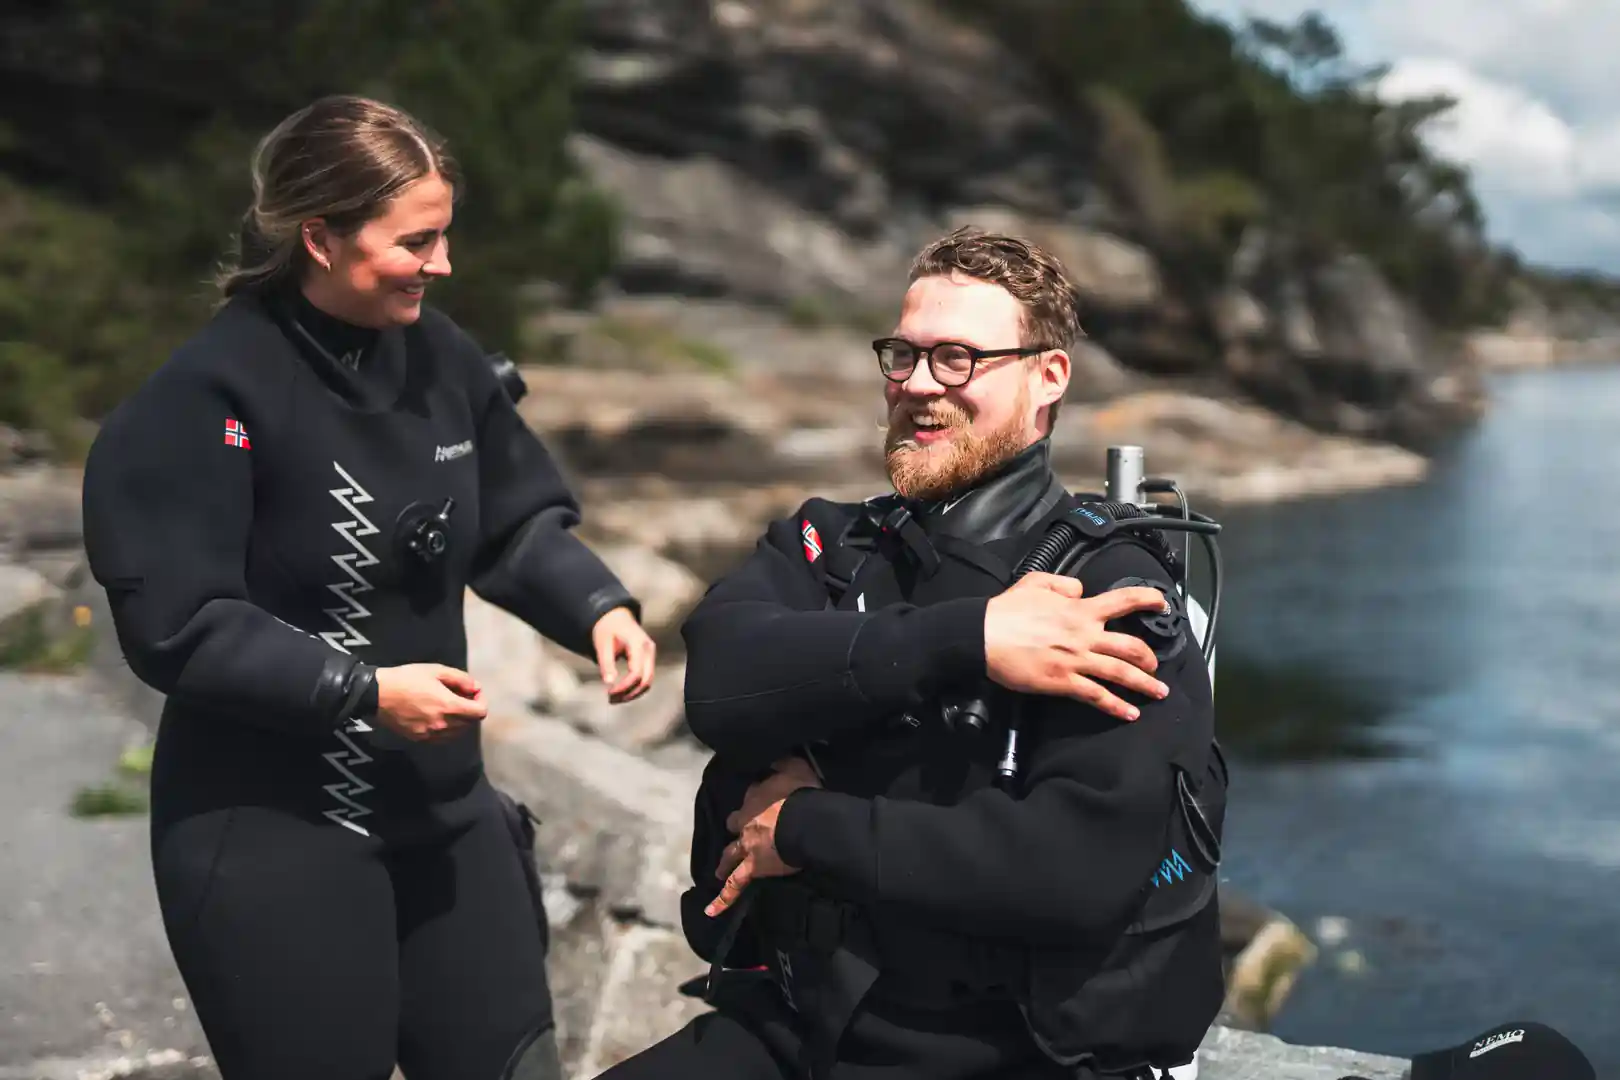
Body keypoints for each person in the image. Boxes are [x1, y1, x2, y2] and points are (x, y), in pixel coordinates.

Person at [79, 94, 657, 1080]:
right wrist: (364, 694)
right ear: (320, 237)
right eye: (417, 241)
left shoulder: (442, 357)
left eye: (445, 236)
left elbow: (512, 520)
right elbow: (179, 624)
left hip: (444, 817)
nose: (443, 265)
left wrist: (597, 605)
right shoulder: (208, 396)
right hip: (269, 833)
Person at [597, 227, 1228, 1080]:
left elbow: (1075, 870)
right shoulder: (830, 543)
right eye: (904, 355)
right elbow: (718, 683)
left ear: (1049, 378)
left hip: (1000, 1055)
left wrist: (812, 827)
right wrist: (968, 639)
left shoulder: (1108, 591)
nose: (920, 385)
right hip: (793, 1022)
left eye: (960, 358)